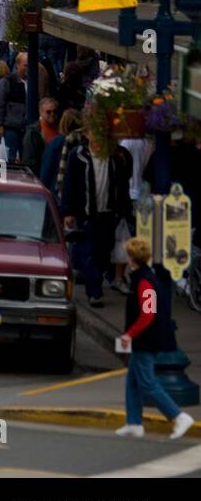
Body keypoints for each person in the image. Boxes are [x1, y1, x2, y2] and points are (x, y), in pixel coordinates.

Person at [116, 237, 196, 439]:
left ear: (133, 258)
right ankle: (134, 423)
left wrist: (129, 334)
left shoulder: (144, 281)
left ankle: (178, 416)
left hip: (145, 340)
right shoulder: (143, 278)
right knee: (133, 382)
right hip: (143, 340)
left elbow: (148, 314)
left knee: (147, 383)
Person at [62, 129, 133, 307]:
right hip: (87, 215)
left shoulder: (116, 157)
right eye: (97, 132)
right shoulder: (78, 155)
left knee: (104, 252)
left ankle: (97, 279)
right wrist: (68, 212)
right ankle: (94, 291)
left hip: (109, 214)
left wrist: (123, 209)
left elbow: (124, 182)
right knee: (89, 252)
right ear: (87, 135)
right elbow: (69, 184)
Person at [0, 50, 29, 161]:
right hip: (10, 127)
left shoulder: (32, 81)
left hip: (26, 127)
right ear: (17, 65)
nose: (28, 68)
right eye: (25, 65)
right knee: (8, 159)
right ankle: (4, 177)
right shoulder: (7, 81)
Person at [41, 109, 82, 195]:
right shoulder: (83, 143)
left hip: (56, 190)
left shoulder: (57, 142)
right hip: (77, 193)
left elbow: (47, 168)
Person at [21, 97, 61, 177]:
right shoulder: (33, 133)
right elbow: (29, 161)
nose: (52, 114)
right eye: (48, 112)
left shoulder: (61, 129)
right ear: (41, 112)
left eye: (55, 111)